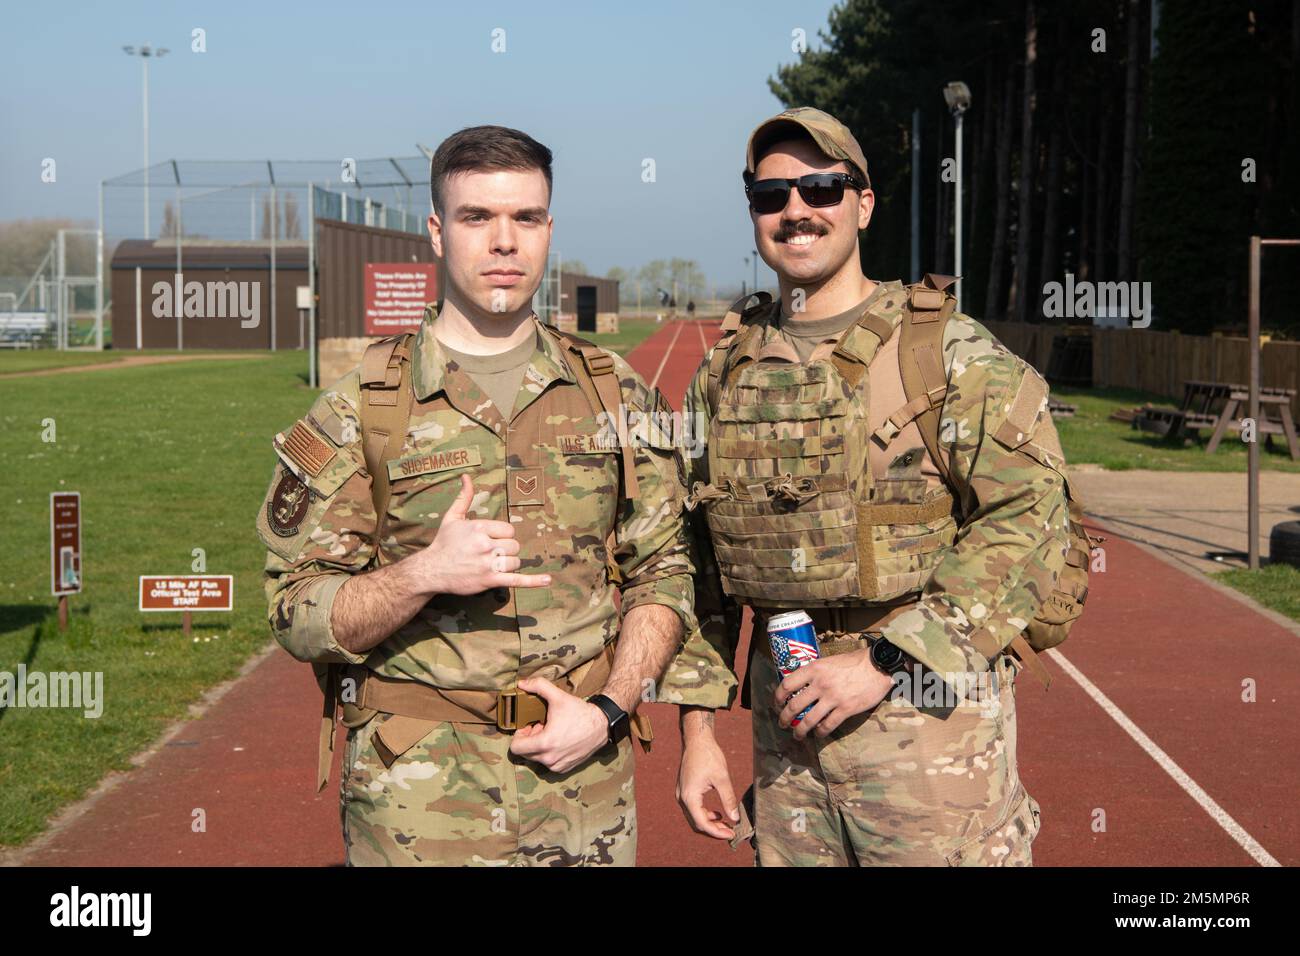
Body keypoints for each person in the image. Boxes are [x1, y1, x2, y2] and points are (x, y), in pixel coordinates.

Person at [255, 125, 695, 866]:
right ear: (435, 231)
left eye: (525, 218)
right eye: (476, 218)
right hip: (419, 805)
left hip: (584, 790)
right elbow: (294, 611)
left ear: (549, 229)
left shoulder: (615, 392)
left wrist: (612, 706)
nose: (504, 242)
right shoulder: (362, 407)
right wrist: (421, 575)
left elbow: (665, 569)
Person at [663, 106, 1082, 866]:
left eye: (822, 188)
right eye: (771, 195)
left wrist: (886, 660)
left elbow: (1030, 518)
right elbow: (700, 568)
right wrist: (697, 737)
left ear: (863, 203)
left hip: (930, 741)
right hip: (789, 748)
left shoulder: (945, 353)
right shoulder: (725, 373)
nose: (796, 210)